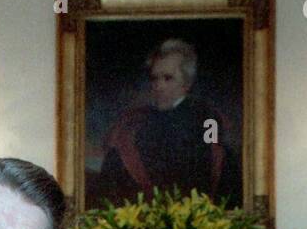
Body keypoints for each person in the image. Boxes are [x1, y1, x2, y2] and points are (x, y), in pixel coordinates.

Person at [91, 38, 237, 208]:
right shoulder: (137, 121)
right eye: (155, 79)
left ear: (186, 83)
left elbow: (211, 167)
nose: (158, 86)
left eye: (168, 78)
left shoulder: (207, 120)